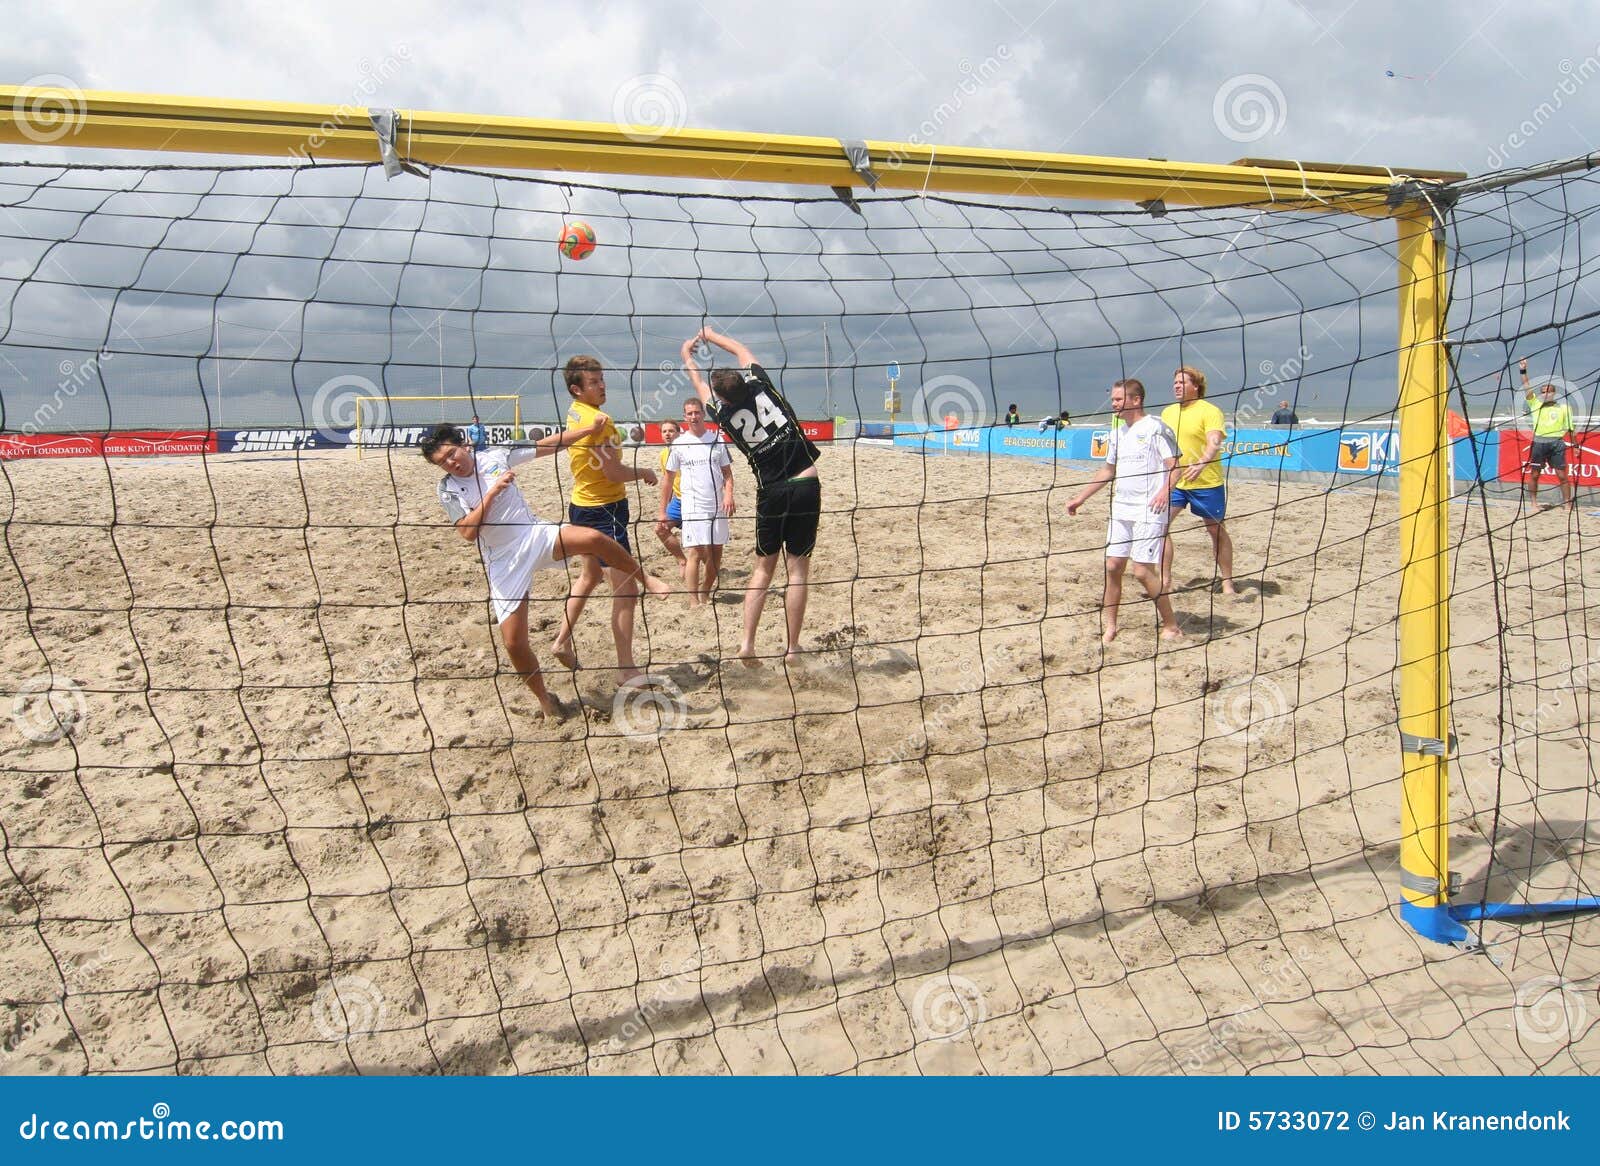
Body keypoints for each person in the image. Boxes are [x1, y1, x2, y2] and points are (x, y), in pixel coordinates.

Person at [421, 420, 667, 720]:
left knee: (593, 538)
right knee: (514, 643)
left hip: (535, 535)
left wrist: (587, 432)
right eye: (442, 463)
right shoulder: (447, 488)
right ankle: (545, 701)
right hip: (503, 560)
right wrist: (492, 492)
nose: (451, 463)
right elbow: (467, 532)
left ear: (462, 444)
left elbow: (549, 445)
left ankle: (647, 580)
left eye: (451, 454)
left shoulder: (495, 456)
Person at [681, 326, 821, 665]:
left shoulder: (723, 413)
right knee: (798, 571)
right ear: (744, 382)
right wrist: (711, 334)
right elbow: (741, 348)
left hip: (770, 491)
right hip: (804, 483)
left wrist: (689, 353)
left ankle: (747, 644)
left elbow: (697, 382)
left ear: (724, 398)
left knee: (762, 570)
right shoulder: (762, 385)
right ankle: (792, 648)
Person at [552, 355, 667, 682]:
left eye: (602, 379)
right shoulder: (599, 421)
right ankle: (626, 668)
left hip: (580, 505)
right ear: (576, 389)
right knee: (627, 590)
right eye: (593, 382)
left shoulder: (576, 413)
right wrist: (644, 471)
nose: (602, 386)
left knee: (589, 577)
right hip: (605, 511)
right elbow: (613, 471)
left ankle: (561, 641)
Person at [1066, 380, 1183, 644]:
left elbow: (1176, 465)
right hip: (1121, 508)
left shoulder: (1155, 427)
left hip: (1150, 508)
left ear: (1136, 400)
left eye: (1119, 400)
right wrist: (1079, 499)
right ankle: (1111, 626)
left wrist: (1165, 490)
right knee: (1112, 566)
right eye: (1114, 399)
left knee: (1142, 571)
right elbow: (1108, 470)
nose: (1114, 404)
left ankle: (1171, 624)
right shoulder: (1117, 432)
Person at [1161, 366, 1235, 596]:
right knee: (1160, 527)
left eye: (1182, 382)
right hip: (1176, 482)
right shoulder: (1168, 413)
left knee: (1215, 530)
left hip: (1206, 482)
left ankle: (1227, 582)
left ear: (1196, 386)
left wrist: (1202, 462)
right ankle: (1165, 582)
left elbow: (1214, 440)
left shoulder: (1209, 411)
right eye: (1175, 382)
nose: (1177, 386)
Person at [663, 400, 735, 605]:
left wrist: (729, 495)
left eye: (697, 413)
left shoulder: (717, 440)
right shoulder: (679, 444)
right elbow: (667, 479)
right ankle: (693, 600)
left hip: (717, 504)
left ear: (703, 414)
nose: (693, 417)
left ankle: (704, 592)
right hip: (693, 506)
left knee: (716, 553)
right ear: (684, 417)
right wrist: (663, 511)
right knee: (695, 552)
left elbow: (728, 474)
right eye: (689, 414)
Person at [1520, 358, 1577, 509]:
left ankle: (1567, 504)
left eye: (1549, 392)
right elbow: (1526, 386)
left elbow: (1571, 428)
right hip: (1539, 442)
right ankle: (1533, 503)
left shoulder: (1564, 407)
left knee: (1562, 476)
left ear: (1554, 393)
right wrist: (1523, 370)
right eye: (1543, 392)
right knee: (1535, 474)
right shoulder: (1535, 403)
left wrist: (1576, 446)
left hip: (1557, 442)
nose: (1546, 394)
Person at [654, 419, 688, 568]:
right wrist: (664, 509)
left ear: (679, 432)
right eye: (664, 431)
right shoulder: (663, 454)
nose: (667, 434)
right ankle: (682, 560)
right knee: (661, 529)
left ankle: (709, 567)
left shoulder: (688, 448)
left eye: (671, 431)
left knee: (699, 543)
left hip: (695, 500)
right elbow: (668, 482)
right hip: (679, 500)